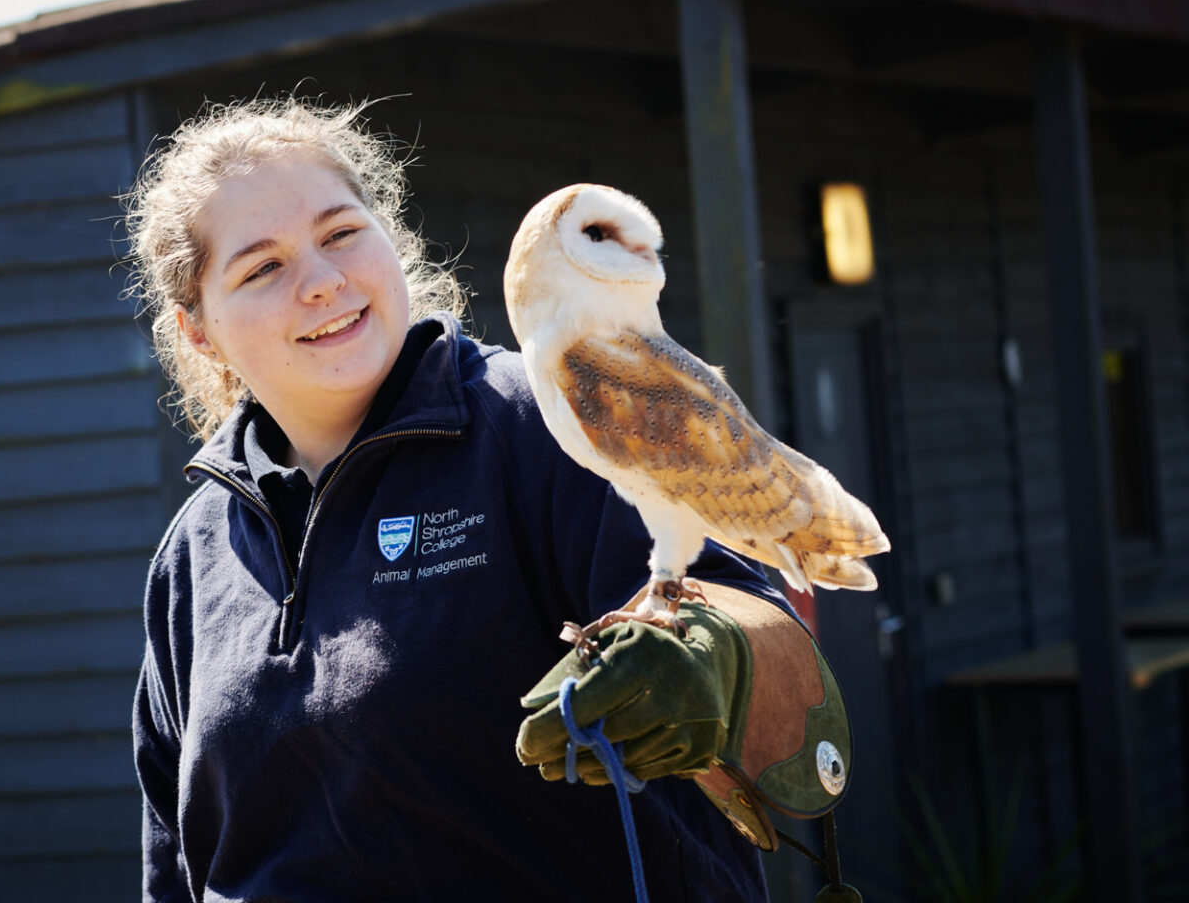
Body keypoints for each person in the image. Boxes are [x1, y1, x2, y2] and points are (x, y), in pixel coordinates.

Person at [123, 96, 851, 902]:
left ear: (388, 238)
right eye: (262, 268)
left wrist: (712, 657)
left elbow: (751, 612)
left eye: (341, 234)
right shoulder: (196, 553)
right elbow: (176, 859)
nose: (322, 282)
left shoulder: (540, 419)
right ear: (198, 331)